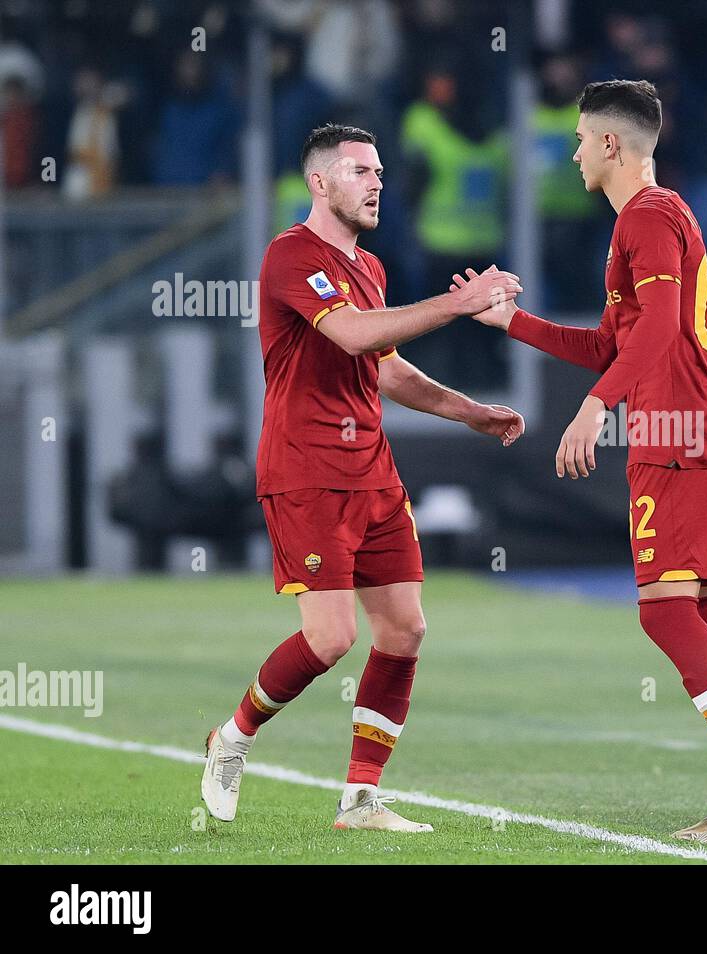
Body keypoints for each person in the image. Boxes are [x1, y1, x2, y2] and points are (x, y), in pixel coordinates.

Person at [459, 80, 707, 844]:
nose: (574, 151)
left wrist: (594, 408)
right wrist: (513, 321)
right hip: (703, 431)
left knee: (664, 610)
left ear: (612, 144)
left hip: (677, 437)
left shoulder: (646, 216)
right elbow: (617, 344)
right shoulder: (656, 219)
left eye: (581, 138)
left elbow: (656, 334)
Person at [200, 123, 524, 832]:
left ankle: (361, 798)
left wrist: (466, 411)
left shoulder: (369, 269)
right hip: (306, 471)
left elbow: (384, 366)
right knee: (329, 639)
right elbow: (351, 335)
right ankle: (233, 738)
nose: (376, 181)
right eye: (358, 171)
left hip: (372, 471)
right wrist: (459, 306)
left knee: (405, 629)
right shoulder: (290, 254)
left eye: (379, 171)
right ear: (320, 183)